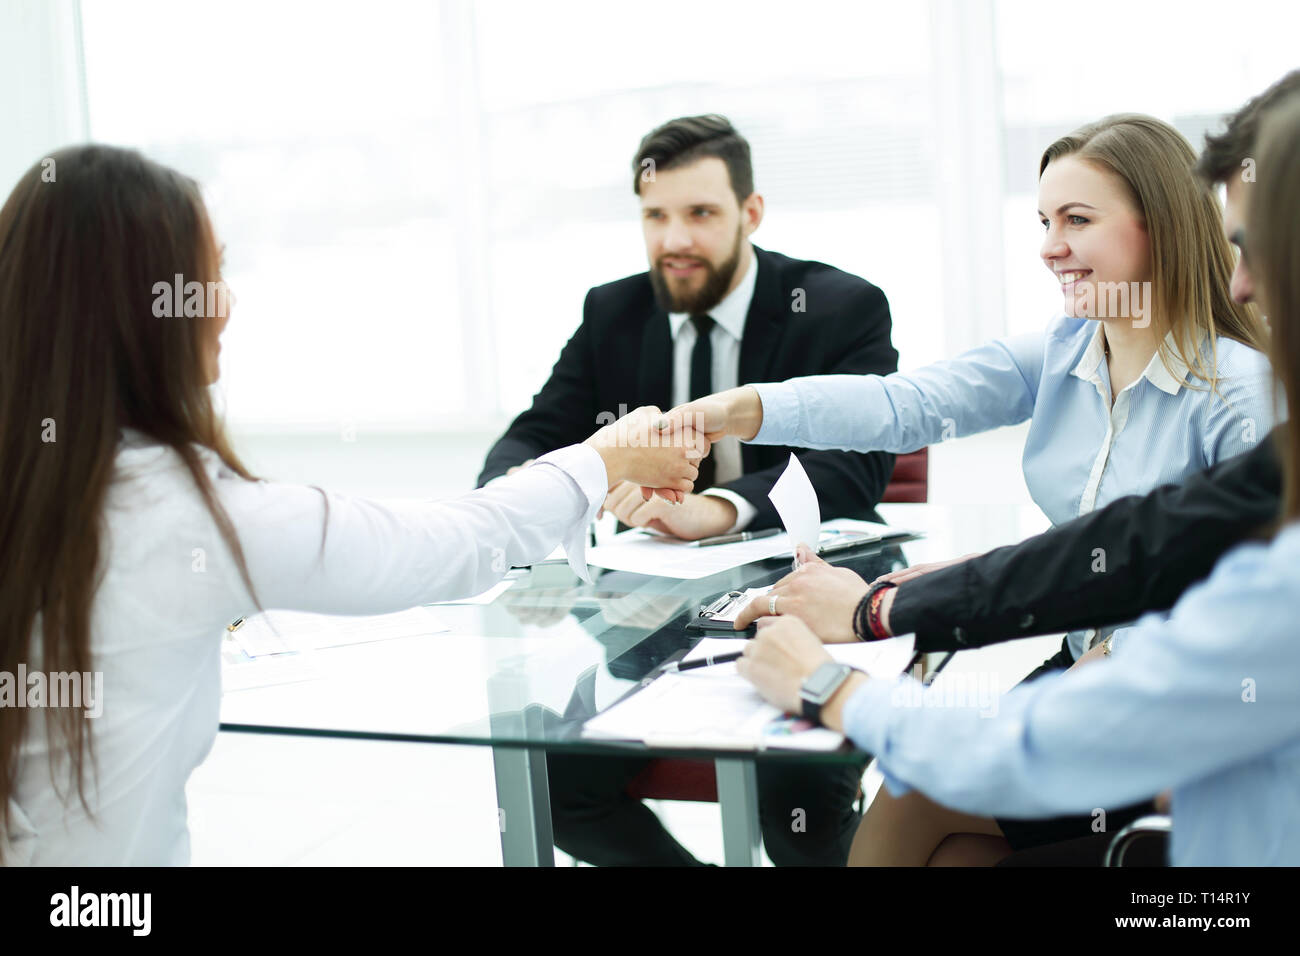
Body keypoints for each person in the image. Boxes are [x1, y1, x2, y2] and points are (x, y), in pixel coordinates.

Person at [0, 145, 705, 866]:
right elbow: (453, 543)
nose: (227, 305)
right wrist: (604, 458)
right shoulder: (186, 514)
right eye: (208, 278)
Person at [667, 111, 1275, 865]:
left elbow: (1245, 595)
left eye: (1077, 220)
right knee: (951, 849)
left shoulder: (1240, 397)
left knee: (914, 795)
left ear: (1160, 227)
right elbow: (907, 404)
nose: (1050, 247)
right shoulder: (1063, 351)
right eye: (1045, 220)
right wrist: (741, 409)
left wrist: (1118, 656)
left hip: (1173, 700)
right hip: (1080, 663)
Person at [514, 115, 898, 866]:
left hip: (810, 595)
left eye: (700, 214)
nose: (673, 240)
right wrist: (513, 502)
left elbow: (856, 466)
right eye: (655, 216)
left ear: (750, 214)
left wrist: (715, 511)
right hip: (651, 612)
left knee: (800, 815)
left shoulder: (840, 306)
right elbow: (536, 433)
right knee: (557, 786)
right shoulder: (612, 311)